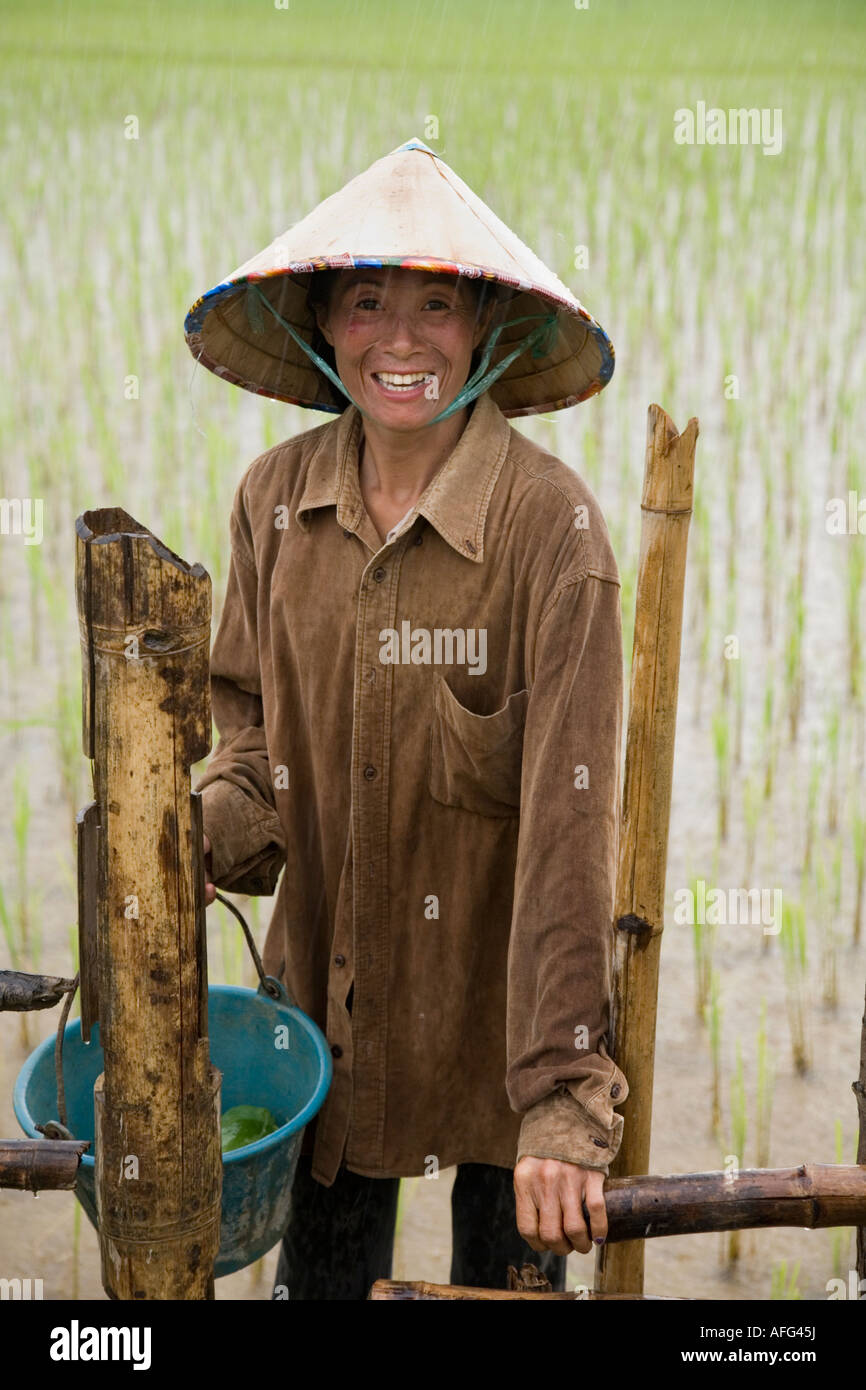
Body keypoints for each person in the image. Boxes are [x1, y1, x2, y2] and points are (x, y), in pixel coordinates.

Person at [185, 138, 629, 1299]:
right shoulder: (272, 506)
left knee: (507, 1284)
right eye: (367, 300)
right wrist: (177, 840)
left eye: (436, 304)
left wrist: (564, 1098)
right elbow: (255, 762)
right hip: (326, 1026)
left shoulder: (553, 538)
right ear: (320, 324)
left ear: (483, 327)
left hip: (504, 1035)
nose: (400, 337)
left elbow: (570, 834)